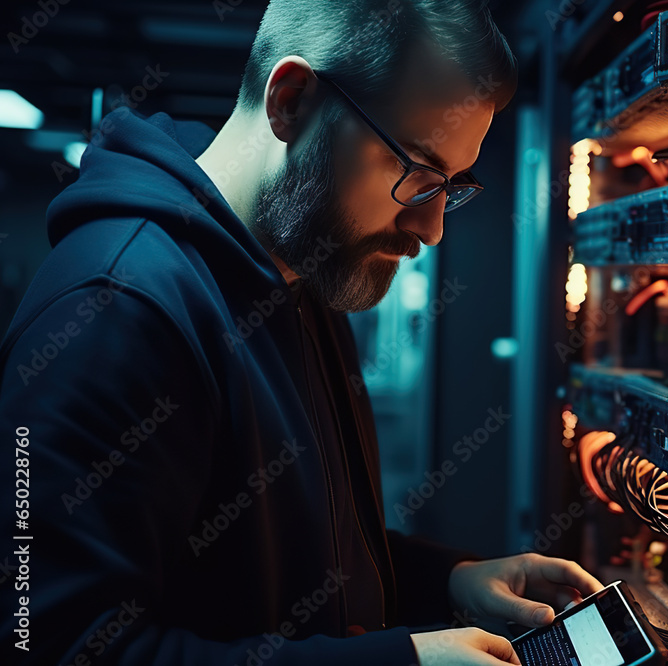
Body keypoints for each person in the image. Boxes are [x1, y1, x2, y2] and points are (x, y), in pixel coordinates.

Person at [0, 1, 602, 664]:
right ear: (290, 102)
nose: (432, 230)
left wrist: (447, 583)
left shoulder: (301, 280)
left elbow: (294, 567)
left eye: (452, 186)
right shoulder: (114, 310)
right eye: (417, 172)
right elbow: (50, 647)